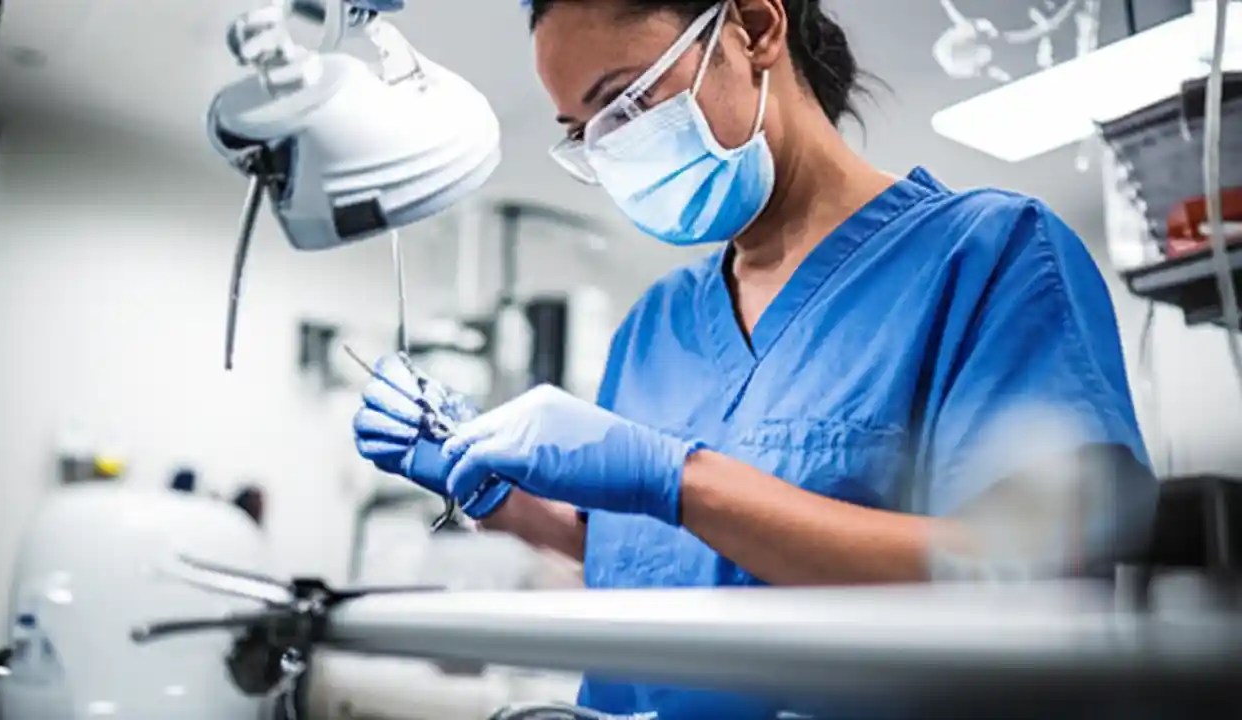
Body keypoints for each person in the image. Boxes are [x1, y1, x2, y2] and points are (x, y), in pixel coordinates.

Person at [354, 0, 1155, 717]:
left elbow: (1037, 586)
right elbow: (659, 558)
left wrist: (681, 478)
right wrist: (505, 498)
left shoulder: (989, 258)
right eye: (582, 134)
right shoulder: (656, 326)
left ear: (756, 28)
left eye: (624, 103)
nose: (611, 154)